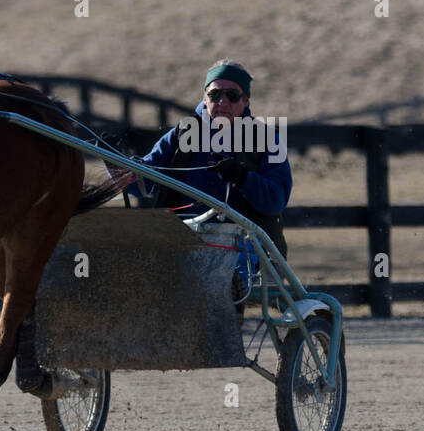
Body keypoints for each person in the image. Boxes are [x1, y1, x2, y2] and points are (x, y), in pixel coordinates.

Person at [111, 59, 292, 301]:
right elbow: (142, 185)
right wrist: (116, 164)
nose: (222, 102)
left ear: (246, 101)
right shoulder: (182, 133)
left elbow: (275, 200)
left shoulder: (266, 138)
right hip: (183, 236)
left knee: (218, 285)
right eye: (215, 94)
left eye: (232, 95)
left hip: (243, 241)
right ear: (205, 97)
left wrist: (243, 178)